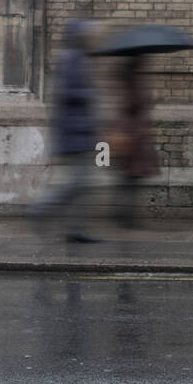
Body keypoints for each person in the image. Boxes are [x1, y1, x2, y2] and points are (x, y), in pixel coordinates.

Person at [29, 19, 102, 244]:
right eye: (89, 34)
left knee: (82, 183)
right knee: (77, 184)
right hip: (74, 133)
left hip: (78, 132)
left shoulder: (78, 58)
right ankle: (40, 209)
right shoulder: (72, 59)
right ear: (80, 36)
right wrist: (89, 93)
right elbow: (66, 93)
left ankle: (76, 229)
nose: (93, 38)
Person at [113, 54, 158, 228]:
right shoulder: (132, 78)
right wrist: (149, 97)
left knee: (130, 175)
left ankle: (124, 214)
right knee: (133, 175)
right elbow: (132, 103)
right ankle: (125, 215)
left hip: (131, 131)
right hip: (133, 133)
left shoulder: (128, 77)